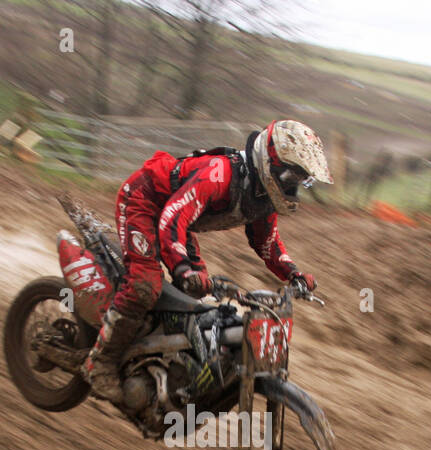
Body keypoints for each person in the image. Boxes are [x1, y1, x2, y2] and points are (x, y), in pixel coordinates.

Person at [83, 120, 332, 403]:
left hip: (175, 218)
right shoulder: (219, 173)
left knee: (196, 295)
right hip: (144, 201)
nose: (294, 184)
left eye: (302, 179)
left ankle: (154, 358)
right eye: (293, 176)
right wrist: (183, 267)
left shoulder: (262, 196)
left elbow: (268, 243)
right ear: (272, 162)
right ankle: (100, 362)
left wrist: (294, 274)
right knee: (144, 286)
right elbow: (173, 217)